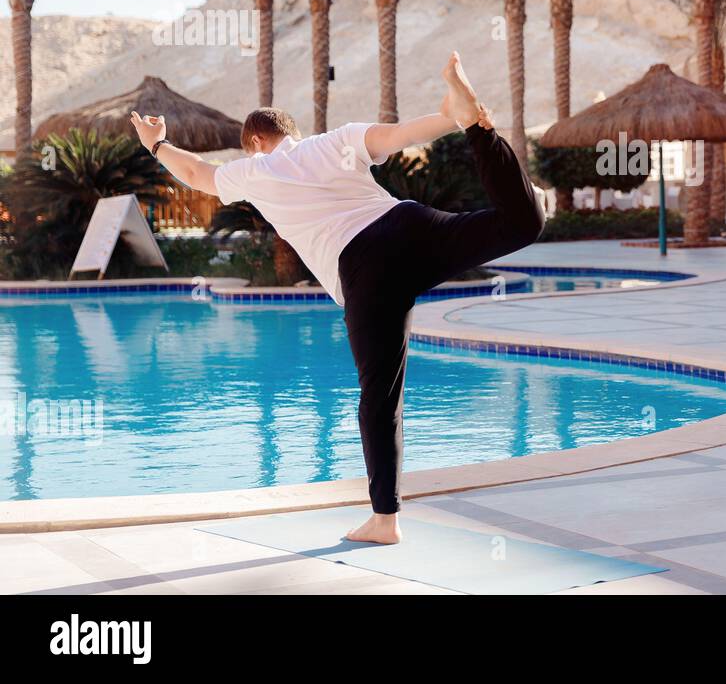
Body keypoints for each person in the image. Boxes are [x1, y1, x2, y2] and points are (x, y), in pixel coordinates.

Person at [129, 53, 545, 544]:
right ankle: (483, 131)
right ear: (293, 131)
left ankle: (385, 521)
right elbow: (406, 134)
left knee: (380, 394)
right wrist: (458, 117)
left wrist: (158, 144)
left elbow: (197, 174)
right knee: (523, 222)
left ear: (256, 141)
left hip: (366, 272)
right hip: (408, 227)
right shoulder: (336, 140)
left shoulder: (255, 169)